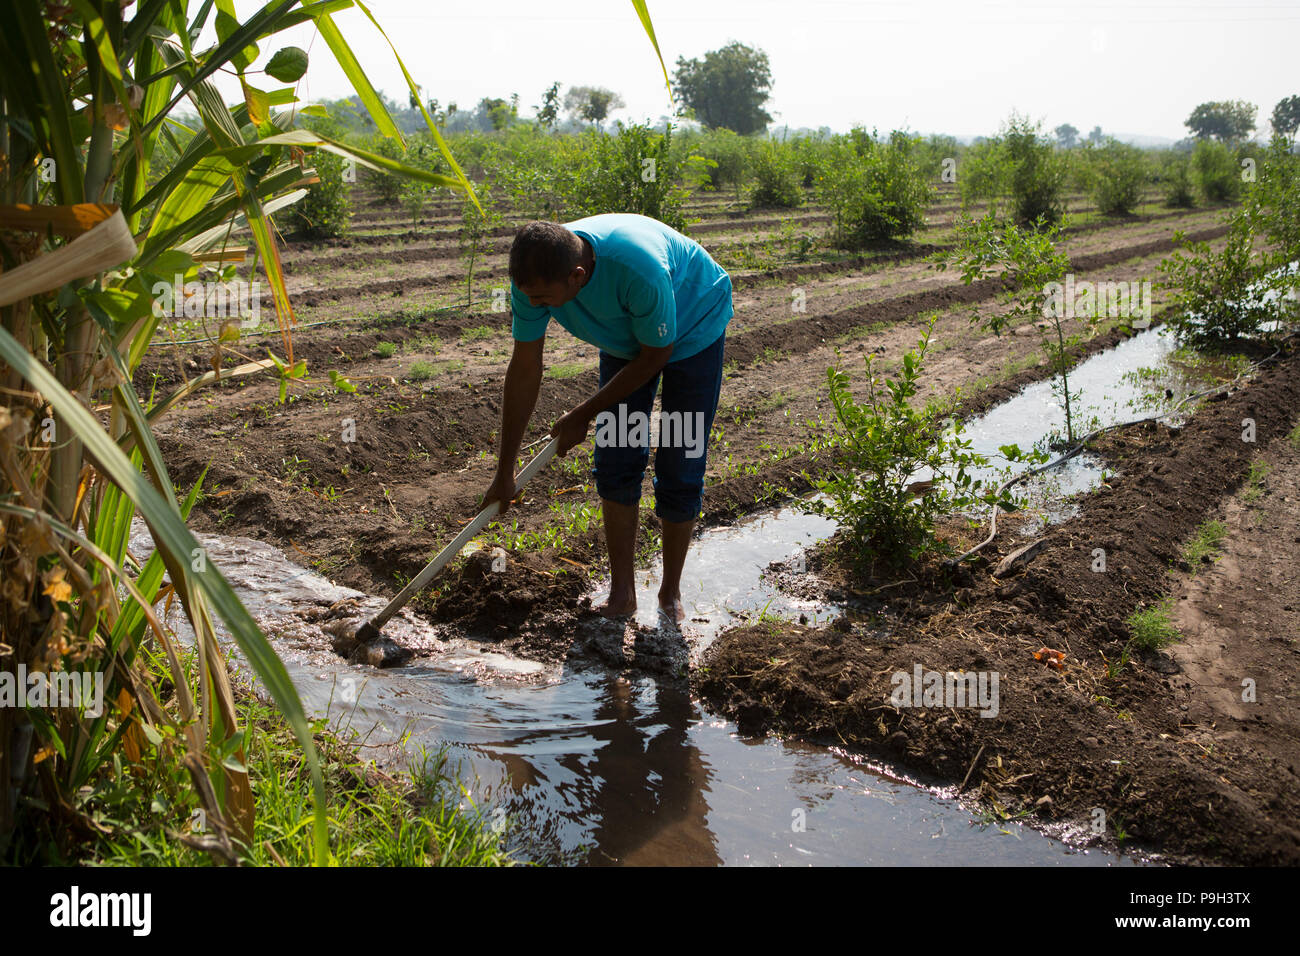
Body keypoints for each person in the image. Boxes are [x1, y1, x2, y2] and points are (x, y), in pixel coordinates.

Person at [481, 214, 732, 623]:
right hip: (624, 333)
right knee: (618, 455)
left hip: (692, 324)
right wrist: (505, 470)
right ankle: (622, 593)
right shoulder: (532, 281)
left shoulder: (638, 269)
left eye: (544, 299)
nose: (535, 305)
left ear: (578, 276)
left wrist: (583, 414)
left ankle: (670, 594)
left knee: (680, 456)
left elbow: (656, 354)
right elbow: (525, 367)